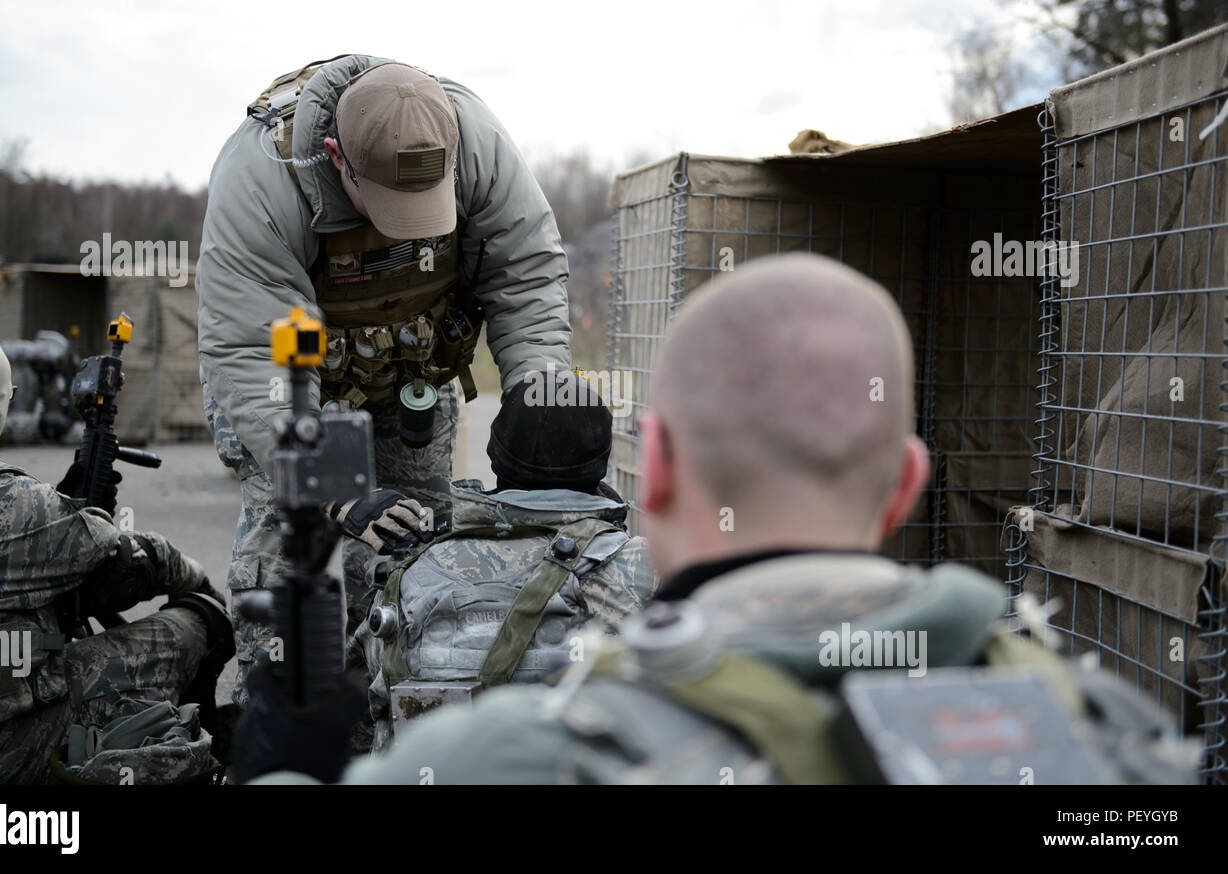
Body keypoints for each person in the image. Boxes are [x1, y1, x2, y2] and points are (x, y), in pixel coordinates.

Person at [239, 253, 1198, 785]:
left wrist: (294, 737)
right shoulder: (1105, 737)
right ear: (906, 487)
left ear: (654, 470)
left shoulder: (515, 760)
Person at [197, 54, 572, 710]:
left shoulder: (476, 142)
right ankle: (282, 735)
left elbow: (528, 276)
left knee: (417, 548)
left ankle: (397, 720)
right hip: (292, 382)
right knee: (295, 551)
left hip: (408, 378)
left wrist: (543, 407)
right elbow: (257, 360)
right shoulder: (262, 182)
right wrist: (339, 493)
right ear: (337, 159)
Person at [0, 324, 234, 784]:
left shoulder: (12, 501)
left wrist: (59, 503)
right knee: (196, 622)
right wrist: (199, 582)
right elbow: (132, 562)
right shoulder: (14, 501)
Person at [343, 368, 655, 751]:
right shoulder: (641, 571)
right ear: (601, 463)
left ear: (494, 458)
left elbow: (361, 706)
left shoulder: (409, 575)